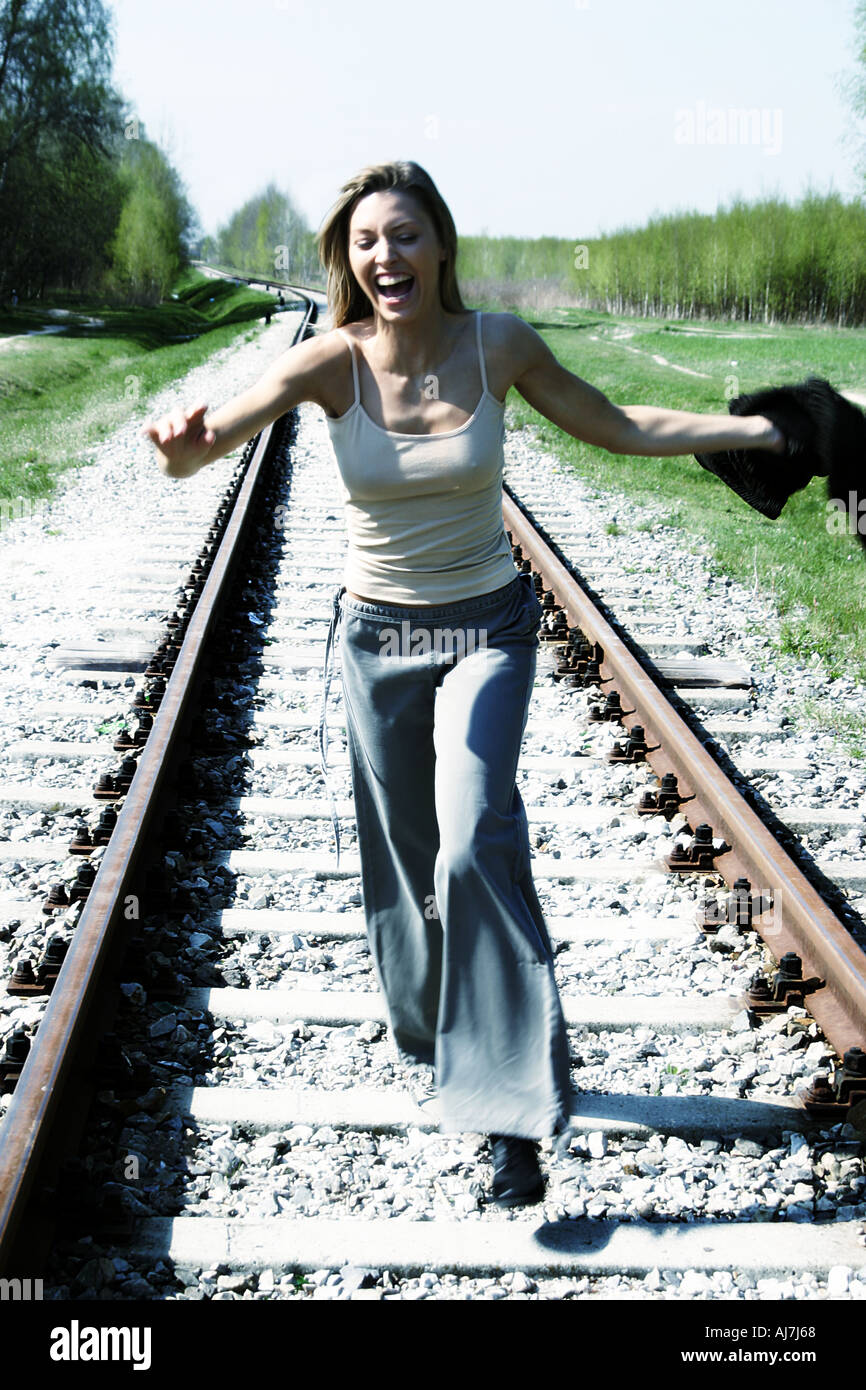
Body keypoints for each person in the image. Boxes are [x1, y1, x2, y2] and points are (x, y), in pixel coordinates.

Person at [143, 160, 785, 1208]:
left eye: (402, 235)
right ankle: (448, 1024)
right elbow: (212, 439)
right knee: (402, 864)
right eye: (363, 242)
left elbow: (618, 424)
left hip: (487, 629)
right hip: (373, 643)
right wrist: (179, 450)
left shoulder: (498, 347)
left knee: (472, 834)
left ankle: (505, 1109)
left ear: (440, 245)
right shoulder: (328, 362)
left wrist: (761, 430)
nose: (383, 257)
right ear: (345, 261)